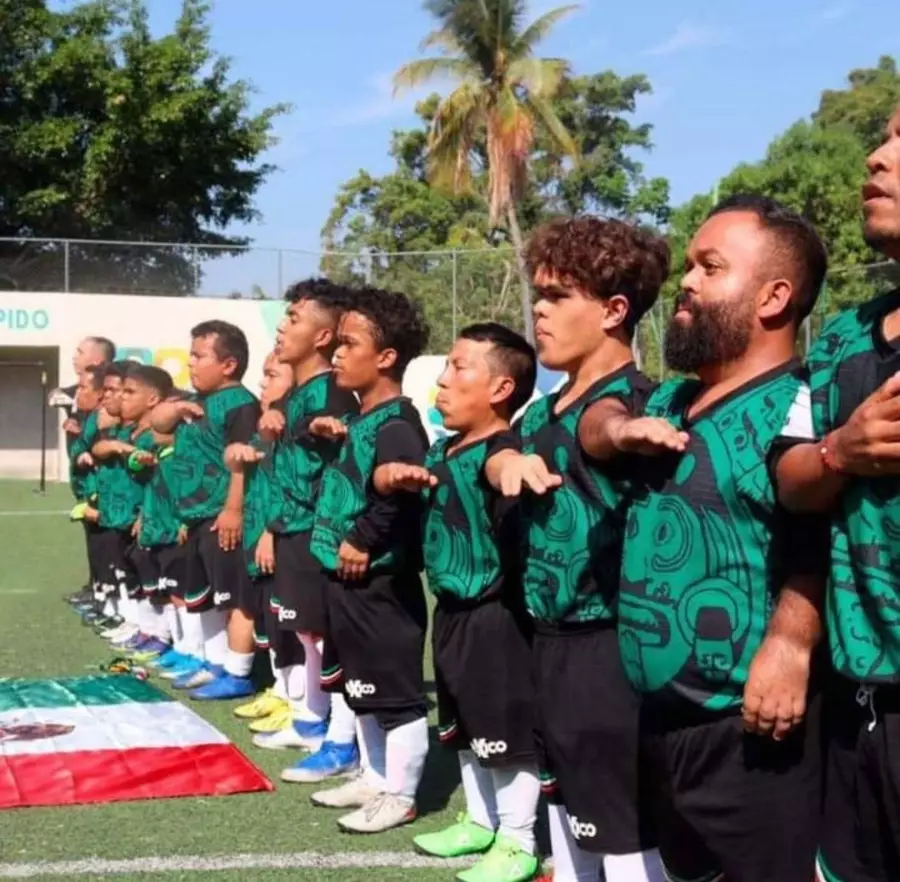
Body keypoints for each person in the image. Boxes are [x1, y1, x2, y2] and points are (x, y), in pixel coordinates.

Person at [588, 195, 829, 882]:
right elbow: (596, 421)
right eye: (689, 265)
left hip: (754, 735)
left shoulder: (800, 406)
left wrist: (792, 638)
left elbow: (822, 536)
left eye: (709, 267)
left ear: (774, 297)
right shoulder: (665, 401)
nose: (685, 281)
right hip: (660, 726)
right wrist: (613, 426)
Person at [485, 217, 669, 882]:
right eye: (538, 293)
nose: (538, 307)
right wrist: (501, 462)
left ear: (615, 310)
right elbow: (505, 447)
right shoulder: (539, 414)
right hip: (548, 643)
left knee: (623, 832)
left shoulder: (644, 408)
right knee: (565, 811)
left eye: (559, 295)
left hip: (613, 651)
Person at [774, 106, 900, 882]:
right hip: (860, 702)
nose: (877, 159)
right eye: (884, 137)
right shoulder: (847, 337)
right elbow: (791, 479)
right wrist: (841, 450)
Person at [376, 323, 540, 882]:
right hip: (449, 611)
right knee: (465, 727)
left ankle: (519, 841)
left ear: (500, 389)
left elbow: (501, 465)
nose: (442, 381)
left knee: (504, 732)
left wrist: (514, 468)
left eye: (458, 367)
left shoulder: (500, 447)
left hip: (493, 616)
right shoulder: (445, 448)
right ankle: (480, 820)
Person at [307, 286, 431, 834]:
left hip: (379, 584)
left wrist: (362, 538)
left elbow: (403, 488)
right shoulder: (360, 418)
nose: (336, 352)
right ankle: (374, 775)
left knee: (395, 694)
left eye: (348, 343)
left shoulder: (398, 423)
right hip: (346, 582)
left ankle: (400, 795)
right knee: (359, 688)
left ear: (385, 358)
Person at [242, 280, 362, 788]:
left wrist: (317, 426)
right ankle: (312, 718)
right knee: (309, 633)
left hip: (320, 531)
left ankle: (341, 739)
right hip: (291, 528)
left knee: (328, 636)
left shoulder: (331, 390)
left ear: (323, 336)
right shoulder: (296, 393)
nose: (282, 326)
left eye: (294, 318)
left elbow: (331, 431)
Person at [152, 321, 261, 700]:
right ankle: (214, 662)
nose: (191, 365)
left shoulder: (242, 406)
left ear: (228, 364)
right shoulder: (195, 402)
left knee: (235, 598)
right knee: (212, 596)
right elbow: (157, 426)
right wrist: (178, 406)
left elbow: (244, 461)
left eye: (199, 357)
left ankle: (239, 671)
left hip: (222, 518)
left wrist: (233, 509)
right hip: (196, 517)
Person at [225, 352, 296, 716]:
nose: (262, 385)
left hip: (280, 541)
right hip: (256, 541)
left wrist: (270, 531)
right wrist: (239, 454)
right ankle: (280, 690)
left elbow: (291, 488)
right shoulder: (263, 429)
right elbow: (241, 463)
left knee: (289, 627)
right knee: (269, 620)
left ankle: (295, 701)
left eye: (271, 376)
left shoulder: (292, 431)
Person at [91, 363, 170, 648]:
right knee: (130, 572)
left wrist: (143, 515)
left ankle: (160, 635)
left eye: (128, 392)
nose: (120, 398)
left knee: (155, 579)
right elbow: (99, 449)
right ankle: (139, 626)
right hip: (121, 516)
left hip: (145, 519)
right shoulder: (127, 434)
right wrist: (119, 447)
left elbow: (157, 478)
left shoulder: (156, 437)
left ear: (152, 400)